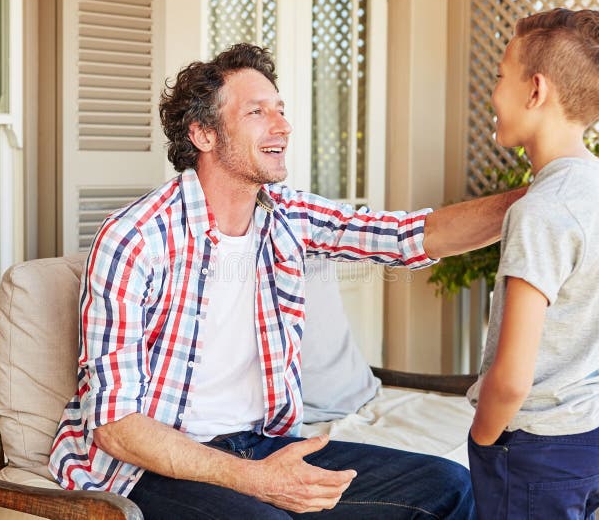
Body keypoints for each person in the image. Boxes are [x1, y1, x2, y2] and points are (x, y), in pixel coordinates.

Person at [49, 43, 523, 519]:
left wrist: (537, 195)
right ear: (203, 134)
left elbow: (406, 235)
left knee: (448, 486)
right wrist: (256, 481)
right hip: (149, 467)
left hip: (261, 444)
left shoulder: (285, 213)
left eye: (280, 110)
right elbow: (116, 425)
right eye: (257, 111)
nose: (283, 126)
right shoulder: (135, 239)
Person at [466, 8, 599, 519]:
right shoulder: (598, 182)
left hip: (537, 448)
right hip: (592, 427)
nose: (493, 94)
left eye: (498, 78)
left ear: (535, 91)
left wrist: (483, 437)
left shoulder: (539, 211)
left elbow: (513, 378)